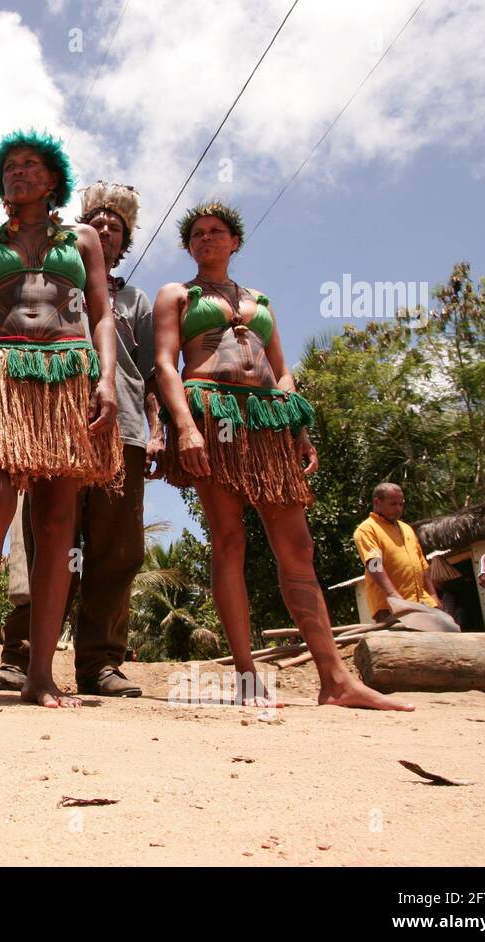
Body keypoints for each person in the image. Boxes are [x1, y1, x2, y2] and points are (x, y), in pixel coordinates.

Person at [154, 200, 411, 710]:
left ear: (235, 242)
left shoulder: (261, 300)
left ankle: (335, 680)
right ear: (189, 246)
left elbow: (282, 369)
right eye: (198, 234)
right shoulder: (178, 294)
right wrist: (184, 426)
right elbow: (165, 362)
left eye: (217, 231)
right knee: (228, 540)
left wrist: (298, 426)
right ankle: (248, 676)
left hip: (270, 419)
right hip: (213, 410)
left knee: (298, 549)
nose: (207, 239)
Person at [0, 130, 120, 709]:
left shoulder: (83, 238)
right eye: (11, 166)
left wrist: (107, 379)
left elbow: (102, 314)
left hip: (68, 373)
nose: (19, 172)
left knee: (58, 519)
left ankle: (41, 672)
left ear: (53, 178)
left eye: (31, 164)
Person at [0, 181, 159, 698]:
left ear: (125, 242)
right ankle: (23, 657)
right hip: (53, 424)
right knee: (46, 540)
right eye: (96, 223)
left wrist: (158, 432)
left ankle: (100, 662)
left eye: (116, 228)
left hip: (119, 429)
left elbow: (150, 373)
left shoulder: (134, 302)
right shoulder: (54, 280)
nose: (105, 230)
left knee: (115, 549)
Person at [353, 483, 441, 622]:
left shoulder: (406, 528)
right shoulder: (367, 529)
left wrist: (433, 595)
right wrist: (394, 596)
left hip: (422, 602)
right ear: (377, 502)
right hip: (390, 606)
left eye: (401, 504)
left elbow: (423, 565)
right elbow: (374, 564)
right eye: (393, 504)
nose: (398, 509)